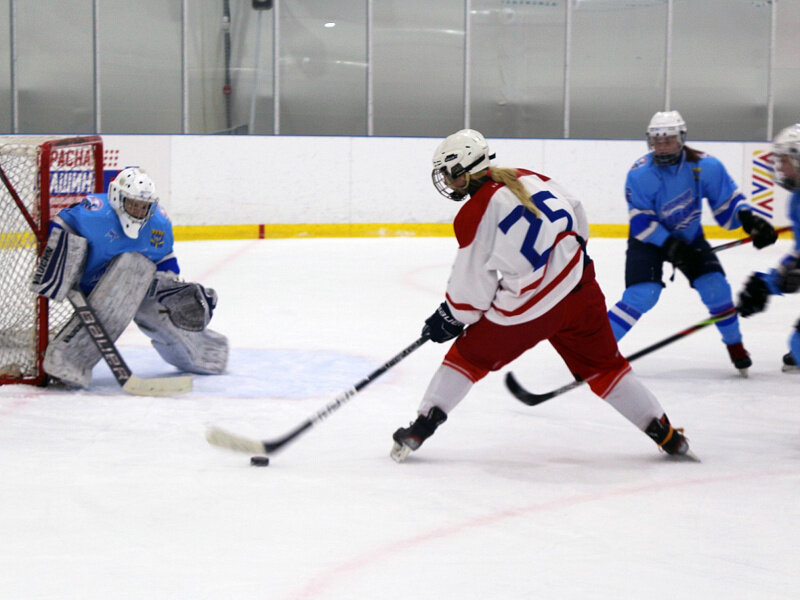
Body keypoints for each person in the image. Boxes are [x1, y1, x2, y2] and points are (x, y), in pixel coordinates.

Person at [390, 129, 696, 463]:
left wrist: (450, 317)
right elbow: (577, 214)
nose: (447, 182)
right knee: (606, 367)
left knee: (468, 357)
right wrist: (567, 264)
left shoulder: (473, 214)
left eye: (449, 174)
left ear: (462, 170)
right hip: (581, 291)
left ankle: (421, 427)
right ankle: (666, 435)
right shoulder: (528, 176)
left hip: (530, 311)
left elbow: (472, 294)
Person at [606, 110, 777, 376]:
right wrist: (669, 245)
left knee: (716, 288)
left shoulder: (707, 166)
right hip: (648, 241)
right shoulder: (640, 174)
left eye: (668, 140)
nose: (661, 146)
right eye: (657, 140)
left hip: (689, 237)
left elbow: (728, 203)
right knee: (643, 294)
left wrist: (748, 219)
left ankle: (736, 347)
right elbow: (640, 220)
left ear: (681, 139)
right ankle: (595, 350)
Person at [30, 167, 228, 388]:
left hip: (129, 285)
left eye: (144, 206)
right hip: (87, 279)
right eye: (132, 204)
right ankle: (68, 361)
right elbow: (61, 223)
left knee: (152, 304)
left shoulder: (158, 225)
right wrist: (61, 254)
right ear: (117, 197)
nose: (138, 211)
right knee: (117, 297)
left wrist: (169, 289)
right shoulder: (96, 213)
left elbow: (165, 260)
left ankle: (203, 351)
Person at [737, 123, 800, 372]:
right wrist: (766, 284)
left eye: (784, 160)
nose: (780, 167)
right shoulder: (796, 200)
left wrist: (782, 279)